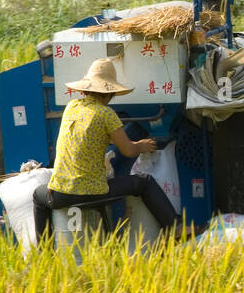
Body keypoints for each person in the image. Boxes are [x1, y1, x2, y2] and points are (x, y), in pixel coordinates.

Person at [32, 58, 198, 244]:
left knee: (38, 196)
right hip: (92, 192)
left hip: (60, 194)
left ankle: (44, 249)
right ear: (108, 94)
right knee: (143, 182)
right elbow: (128, 151)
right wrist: (141, 146)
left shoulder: (72, 107)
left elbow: (89, 137)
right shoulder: (106, 114)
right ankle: (174, 227)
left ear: (86, 89)